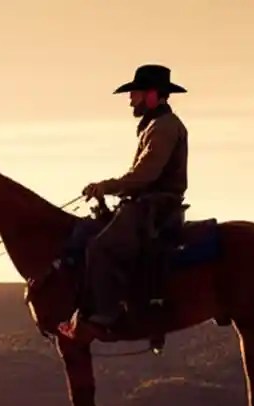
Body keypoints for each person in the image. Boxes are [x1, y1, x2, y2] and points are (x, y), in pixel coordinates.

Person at [58, 64, 189, 342]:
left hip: (155, 205)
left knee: (101, 247)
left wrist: (107, 186)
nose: (131, 100)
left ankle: (106, 316)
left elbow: (145, 174)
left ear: (152, 95)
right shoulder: (155, 125)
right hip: (148, 201)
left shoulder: (163, 127)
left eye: (135, 94)